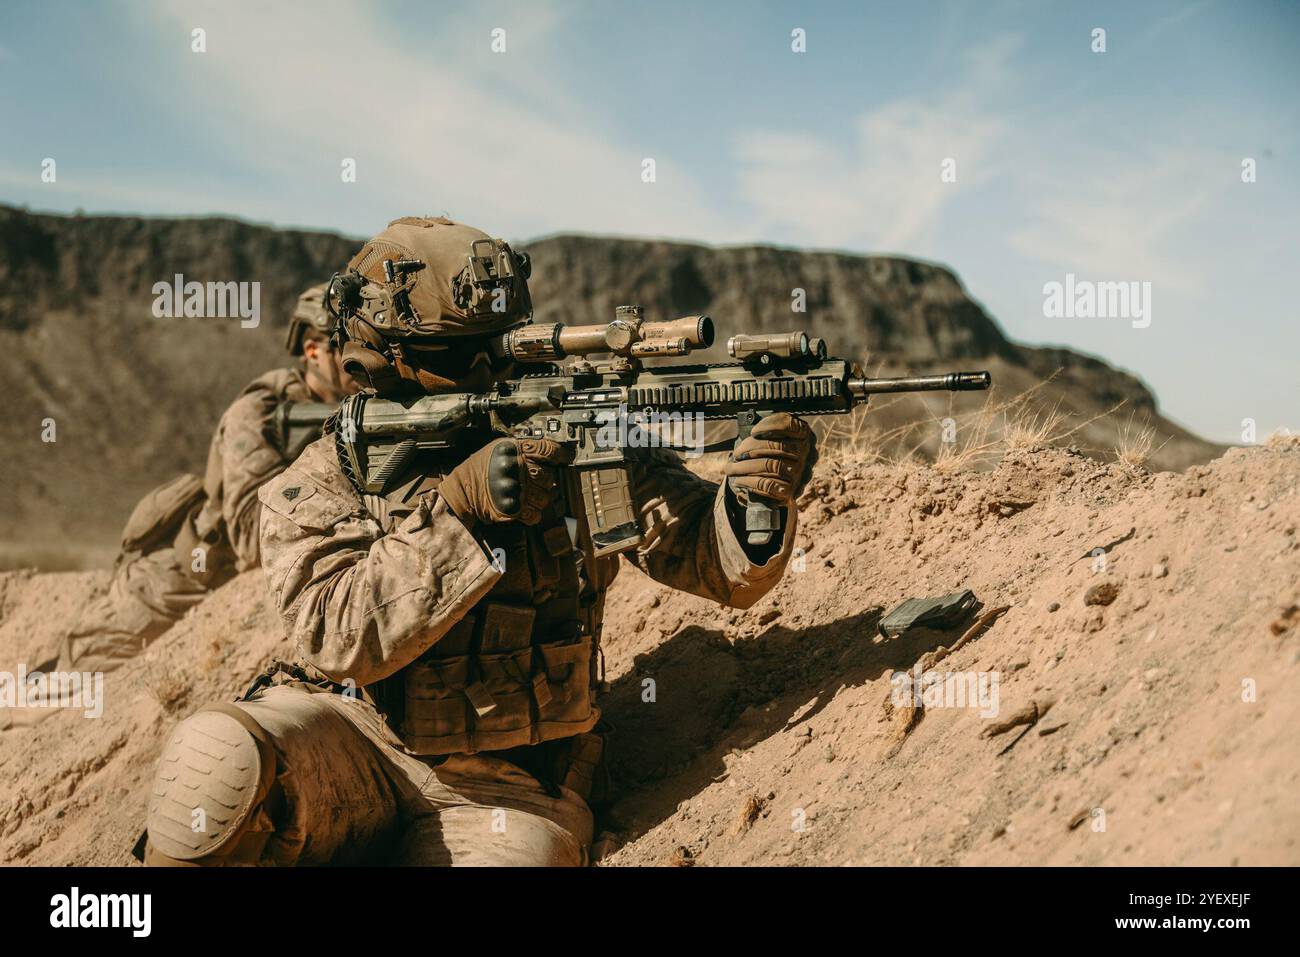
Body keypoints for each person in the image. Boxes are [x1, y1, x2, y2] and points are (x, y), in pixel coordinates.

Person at [140, 217, 817, 866]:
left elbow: (717, 564)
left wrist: (756, 494)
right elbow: (338, 636)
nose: (488, 374)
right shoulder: (330, 470)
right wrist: (461, 512)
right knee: (213, 764)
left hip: (512, 783)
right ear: (377, 359)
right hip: (355, 735)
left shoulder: (573, 437)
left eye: (500, 348)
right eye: (460, 357)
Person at [1, 284, 359, 731]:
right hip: (177, 582)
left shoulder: (362, 413)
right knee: (62, 687)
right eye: (349, 349)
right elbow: (251, 535)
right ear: (313, 350)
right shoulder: (259, 413)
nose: (360, 363)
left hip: (233, 592)